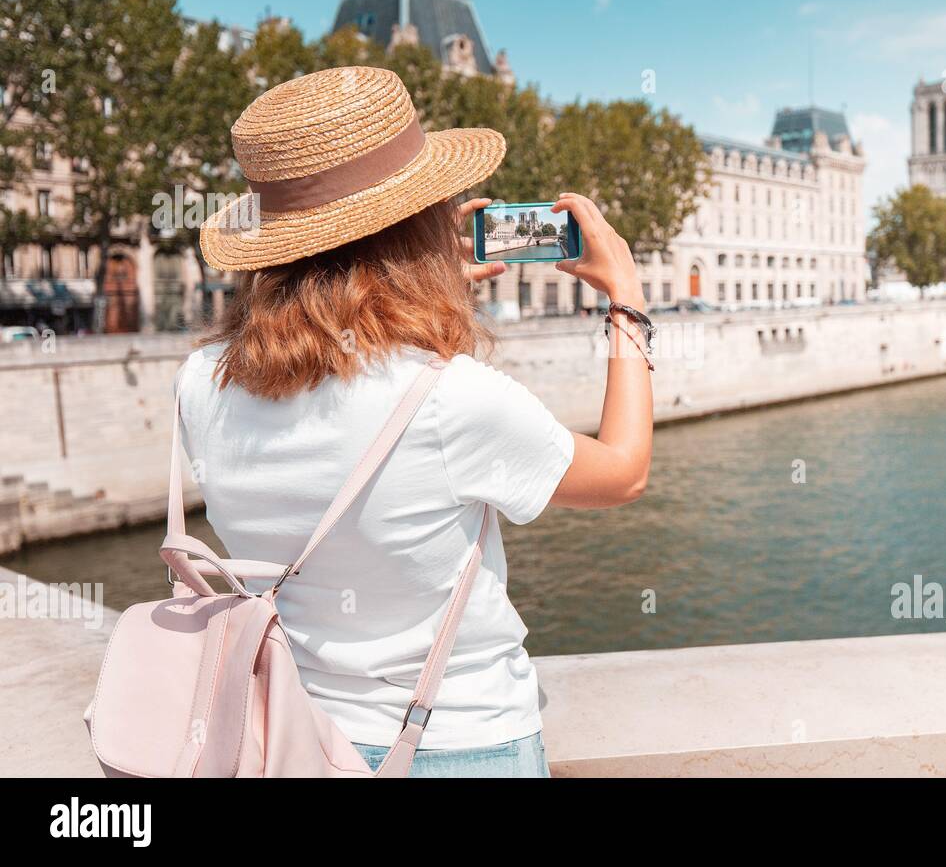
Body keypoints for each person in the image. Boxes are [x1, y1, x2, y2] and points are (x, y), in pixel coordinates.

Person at [180, 65, 654, 777]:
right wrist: (628, 303)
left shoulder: (199, 380)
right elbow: (623, 473)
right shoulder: (452, 400)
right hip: (456, 745)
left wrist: (412, 294)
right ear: (420, 220)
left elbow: (344, 379)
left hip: (289, 733)